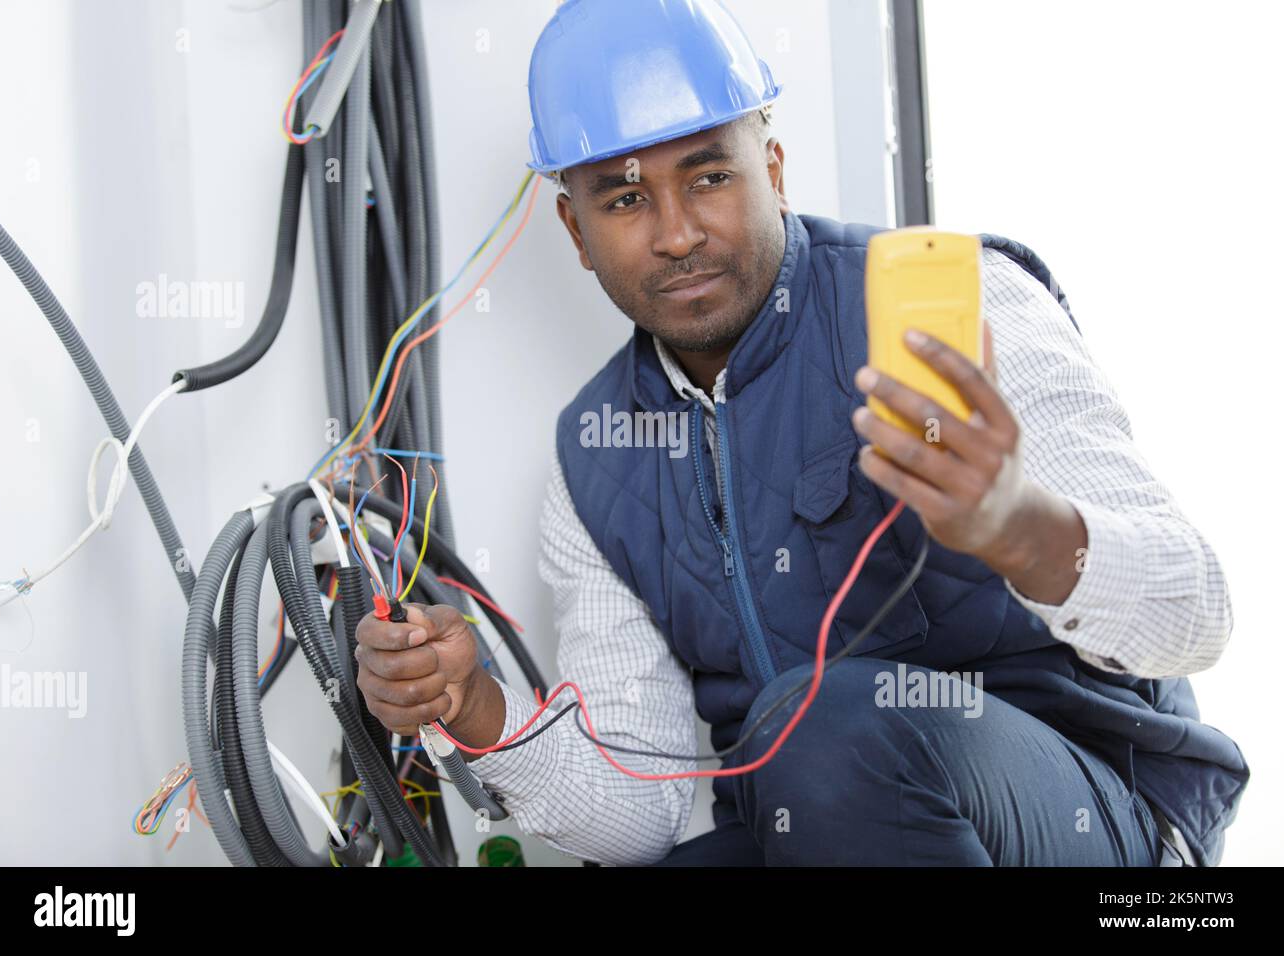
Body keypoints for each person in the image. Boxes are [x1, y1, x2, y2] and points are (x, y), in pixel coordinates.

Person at [353, 0, 1248, 866]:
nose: (676, 234)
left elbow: (1195, 612)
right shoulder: (596, 458)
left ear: (773, 169)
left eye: (710, 176)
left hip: (1097, 810)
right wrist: (476, 708)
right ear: (575, 230)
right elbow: (639, 810)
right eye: (624, 201)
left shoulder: (968, 307)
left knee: (823, 727)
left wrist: (1022, 528)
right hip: (824, 824)